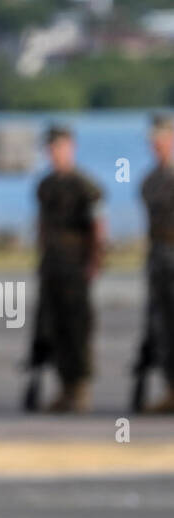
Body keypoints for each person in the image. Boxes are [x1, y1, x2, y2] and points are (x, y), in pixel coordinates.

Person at [31, 125, 104, 413]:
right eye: (51, 148)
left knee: (77, 328)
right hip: (52, 265)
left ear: (71, 147)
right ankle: (64, 387)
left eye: (60, 147)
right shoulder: (45, 185)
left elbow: (97, 228)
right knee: (53, 327)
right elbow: (41, 224)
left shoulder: (85, 186)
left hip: (75, 265)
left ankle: (80, 387)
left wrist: (94, 262)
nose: (55, 153)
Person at [140, 113, 174, 413]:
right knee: (163, 327)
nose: (158, 145)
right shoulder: (149, 182)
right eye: (154, 140)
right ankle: (171, 388)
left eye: (163, 138)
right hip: (159, 260)